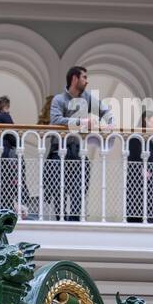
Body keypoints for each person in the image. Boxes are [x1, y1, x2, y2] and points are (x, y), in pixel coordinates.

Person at [46, 65, 113, 221]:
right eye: (84, 77)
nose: (86, 81)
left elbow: (105, 111)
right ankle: (61, 220)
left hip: (77, 151)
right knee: (58, 190)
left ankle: (75, 220)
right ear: (74, 78)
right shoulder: (59, 99)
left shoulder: (87, 98)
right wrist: (81, 121)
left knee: (78, 189)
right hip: (59, 151)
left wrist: (110, 123)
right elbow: (55, 120)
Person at [0, 96, 33, 217]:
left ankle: (1, 219)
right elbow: (15, 138)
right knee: (11, 193)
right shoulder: (3, 116)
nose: (8, 111)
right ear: (2, 107)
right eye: (7, 107)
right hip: (4, 163)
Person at [126, 111, 153, 223]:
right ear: (145, 120)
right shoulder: (136, 139)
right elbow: (134, 163)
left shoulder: (148, 141)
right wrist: (144, 172)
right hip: (142, 200)